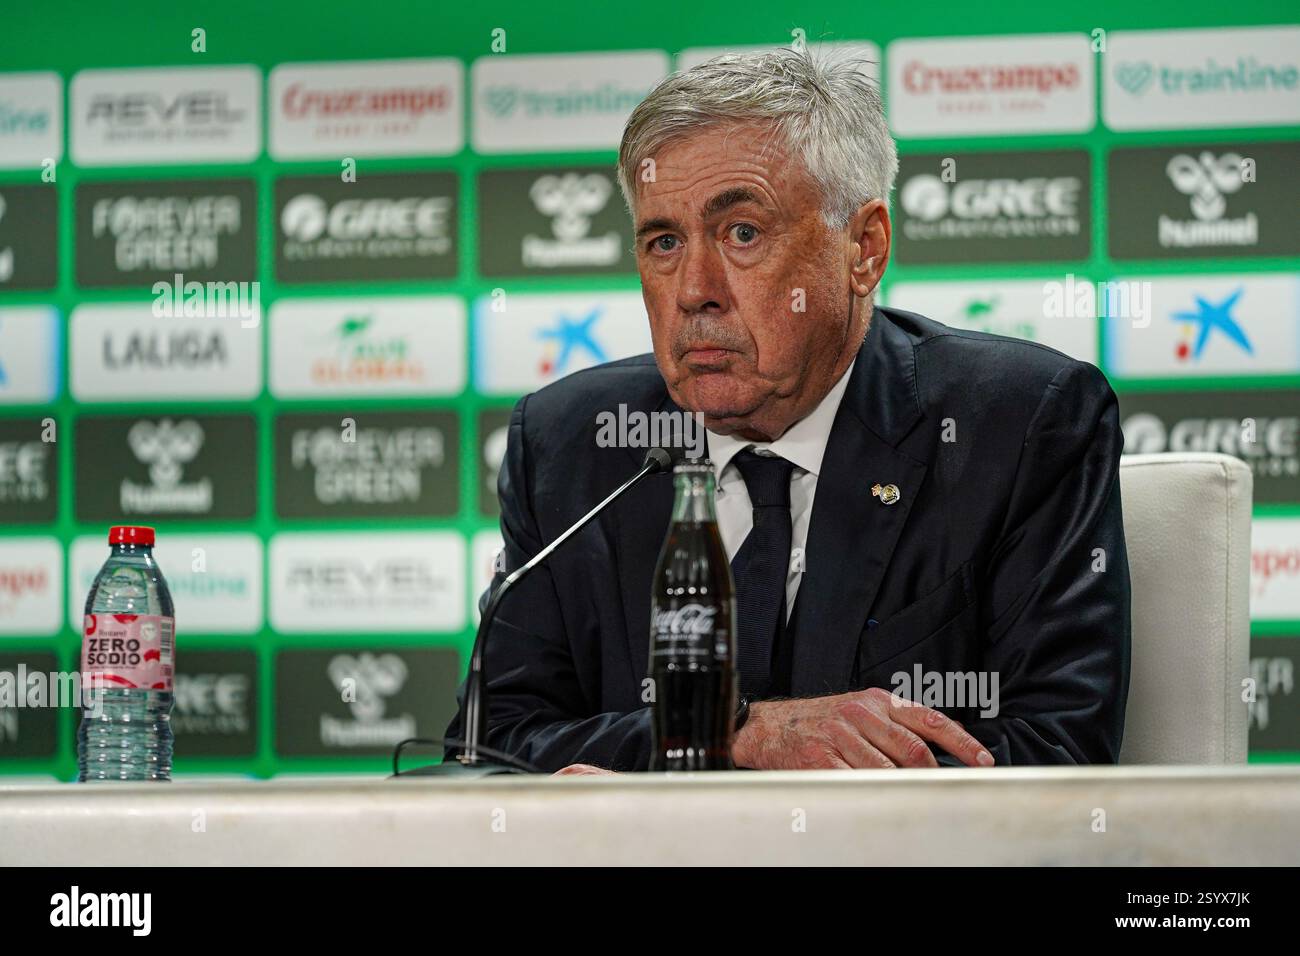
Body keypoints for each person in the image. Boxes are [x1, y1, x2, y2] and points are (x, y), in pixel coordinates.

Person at [444, 46, 1130, 772]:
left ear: (865, 248)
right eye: (664, 241)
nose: (693, 291)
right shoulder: (571, 445)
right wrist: (726, 739)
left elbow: (1059, 753)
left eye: (742, 233)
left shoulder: (1017, 425)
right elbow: (483, 750)